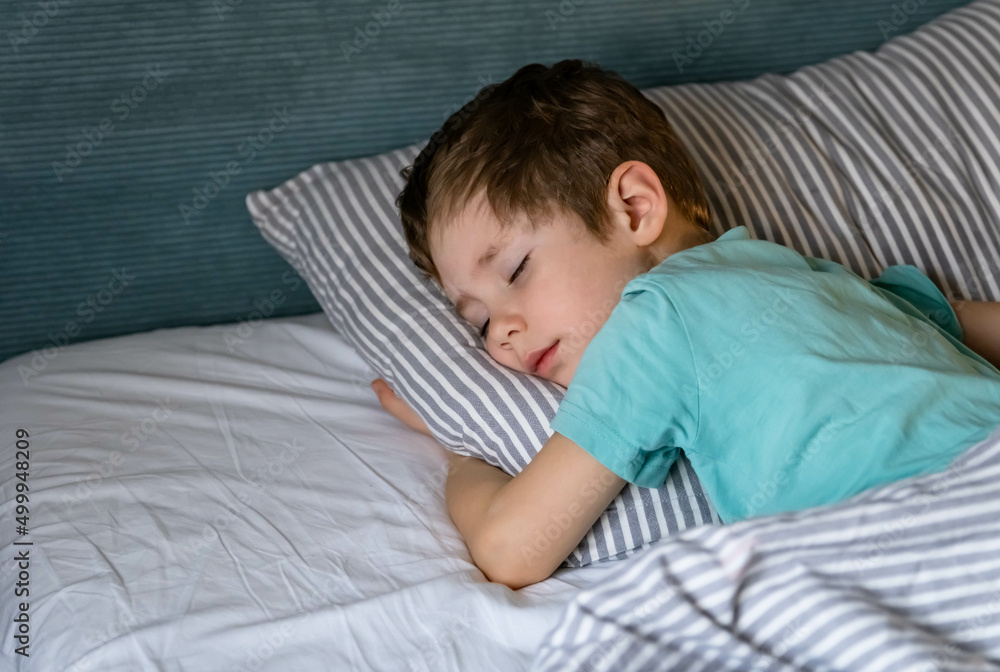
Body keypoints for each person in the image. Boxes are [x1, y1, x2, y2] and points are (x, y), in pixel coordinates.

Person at [372, 59, 1000, 590]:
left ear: (634, 207)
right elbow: (960, 323)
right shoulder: (808, 274)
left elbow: (510, 548)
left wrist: (458, 452)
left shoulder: (651, 321)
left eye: (516, 270)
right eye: (479, 322)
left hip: (916, 535)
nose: (500, 332)